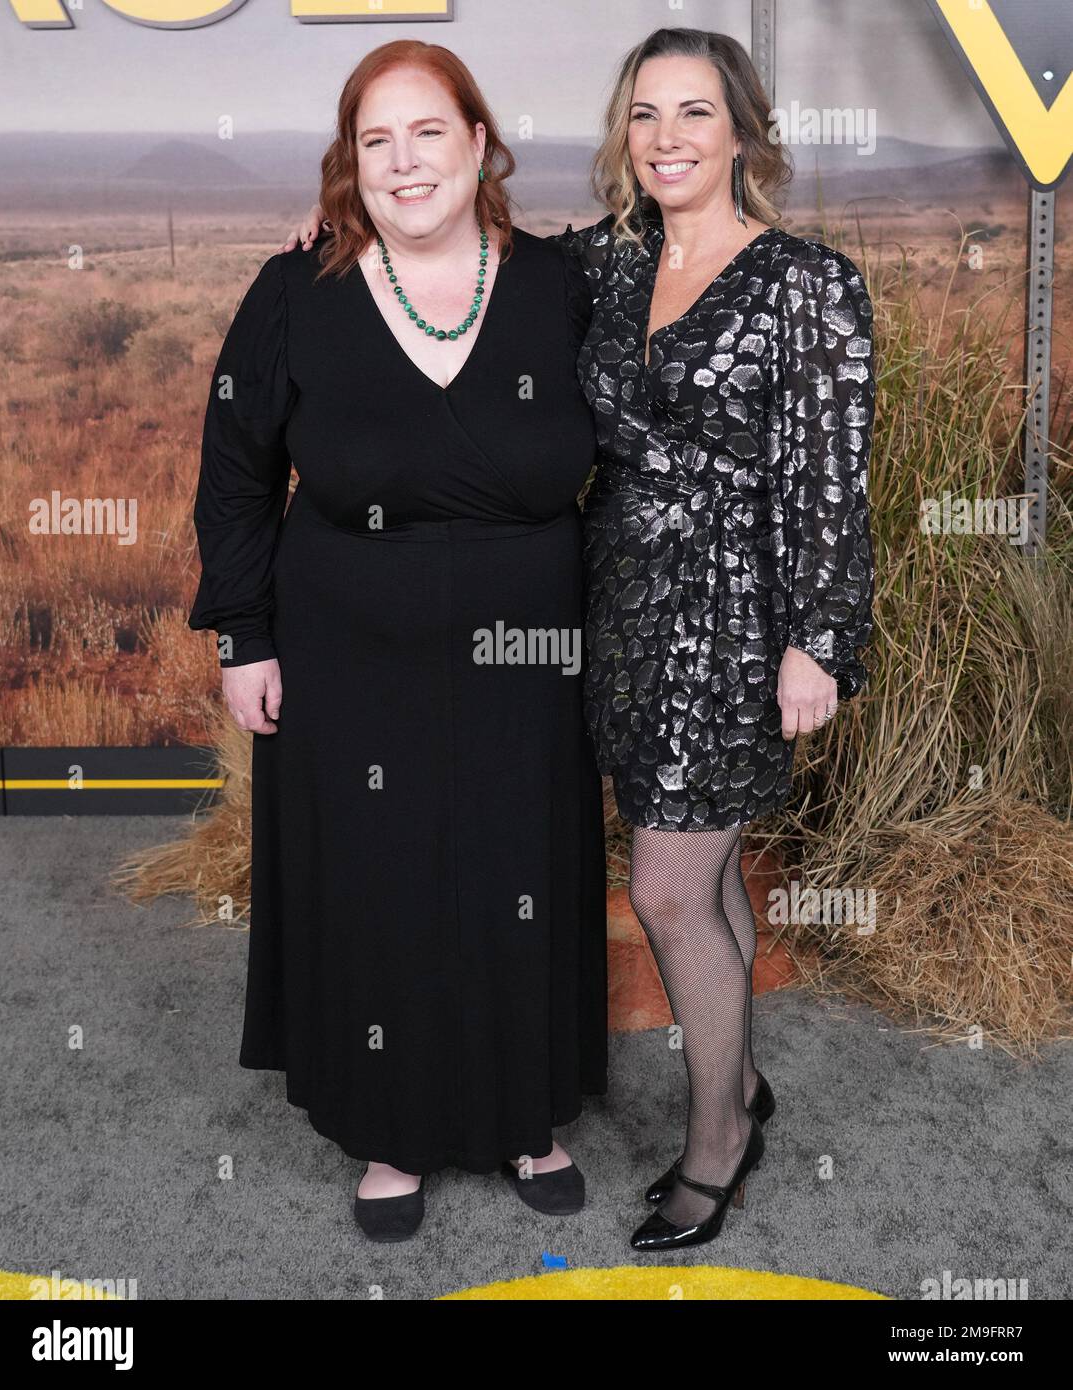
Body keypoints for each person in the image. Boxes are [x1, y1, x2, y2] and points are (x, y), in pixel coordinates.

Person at [287, 26, 876, 1251]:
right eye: (645, 116)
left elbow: (830, 483)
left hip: (728, 623)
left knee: (665, 889)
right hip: (607, 615)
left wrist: (815, 642)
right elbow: (467, 254)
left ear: (741, 132)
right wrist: (342, 223)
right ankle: (741, 1078)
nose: (666, 139)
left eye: (694, 115)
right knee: (699, 875)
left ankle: (716, 1142)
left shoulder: (805, 281)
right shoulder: (603, 269)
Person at [188, 39, 609, 1244]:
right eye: (376, 141)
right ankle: (390, 1128)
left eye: (428, 132)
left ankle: (528, 1114)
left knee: (513, 868)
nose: (404, 161)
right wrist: (244, 636)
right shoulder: (293, 292)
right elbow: (236, 472)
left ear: (479, 144)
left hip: (529, 643)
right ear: (350, 164)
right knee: (377, 875)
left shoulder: (560, 283)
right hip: (344, 645)